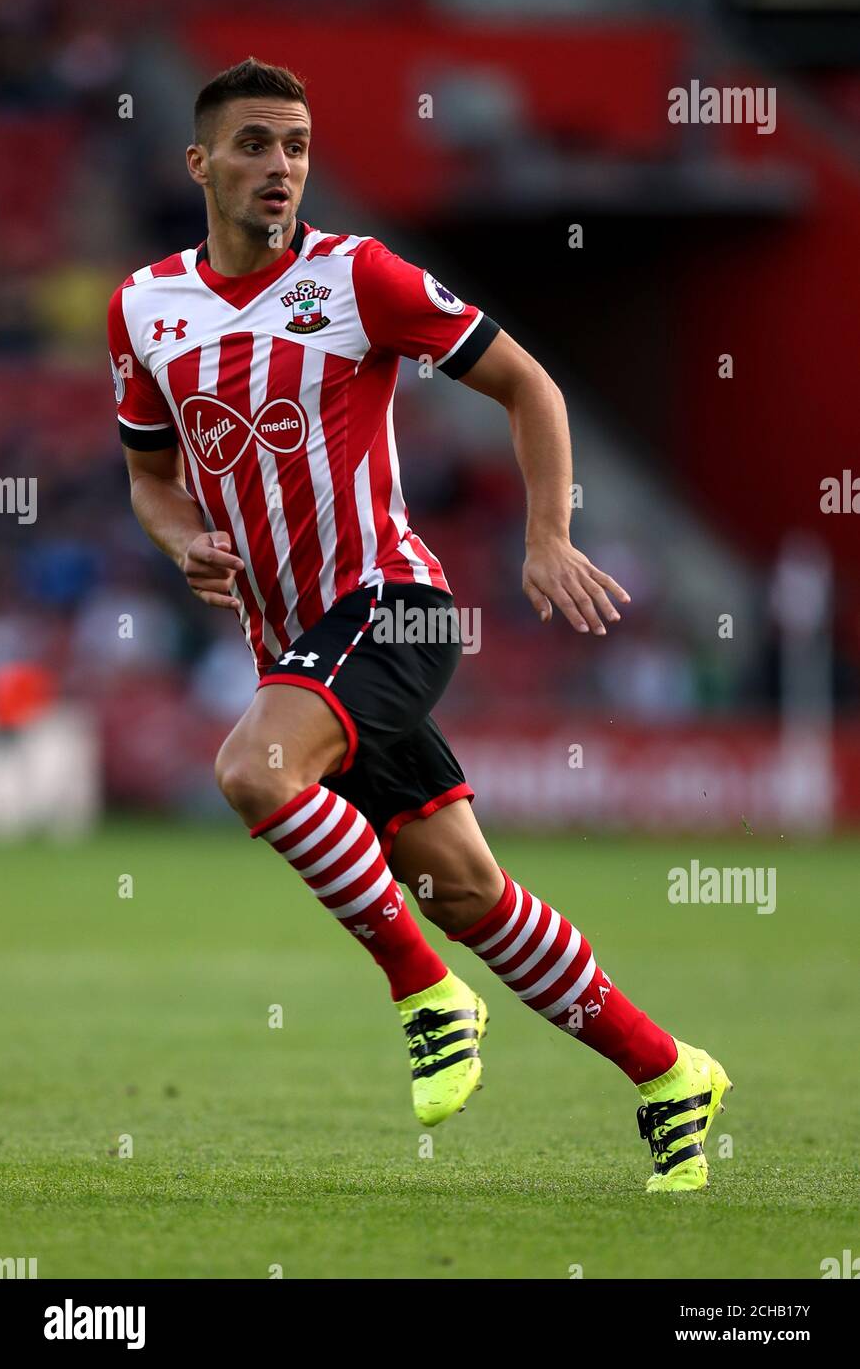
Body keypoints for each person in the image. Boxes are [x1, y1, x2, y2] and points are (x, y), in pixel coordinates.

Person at [108, 57, 731, 1191]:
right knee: (466, 894)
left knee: (252, 770)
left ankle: (425, 995)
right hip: (297, 648)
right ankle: (667, 1069)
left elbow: (528, 385)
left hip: (389, 606)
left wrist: (546, 538)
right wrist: (175, 538)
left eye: (296, 144)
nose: (281, 166)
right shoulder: (143, 307)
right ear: (200, 163)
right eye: (254, 144)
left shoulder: (359, 278)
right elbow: (150, 476)